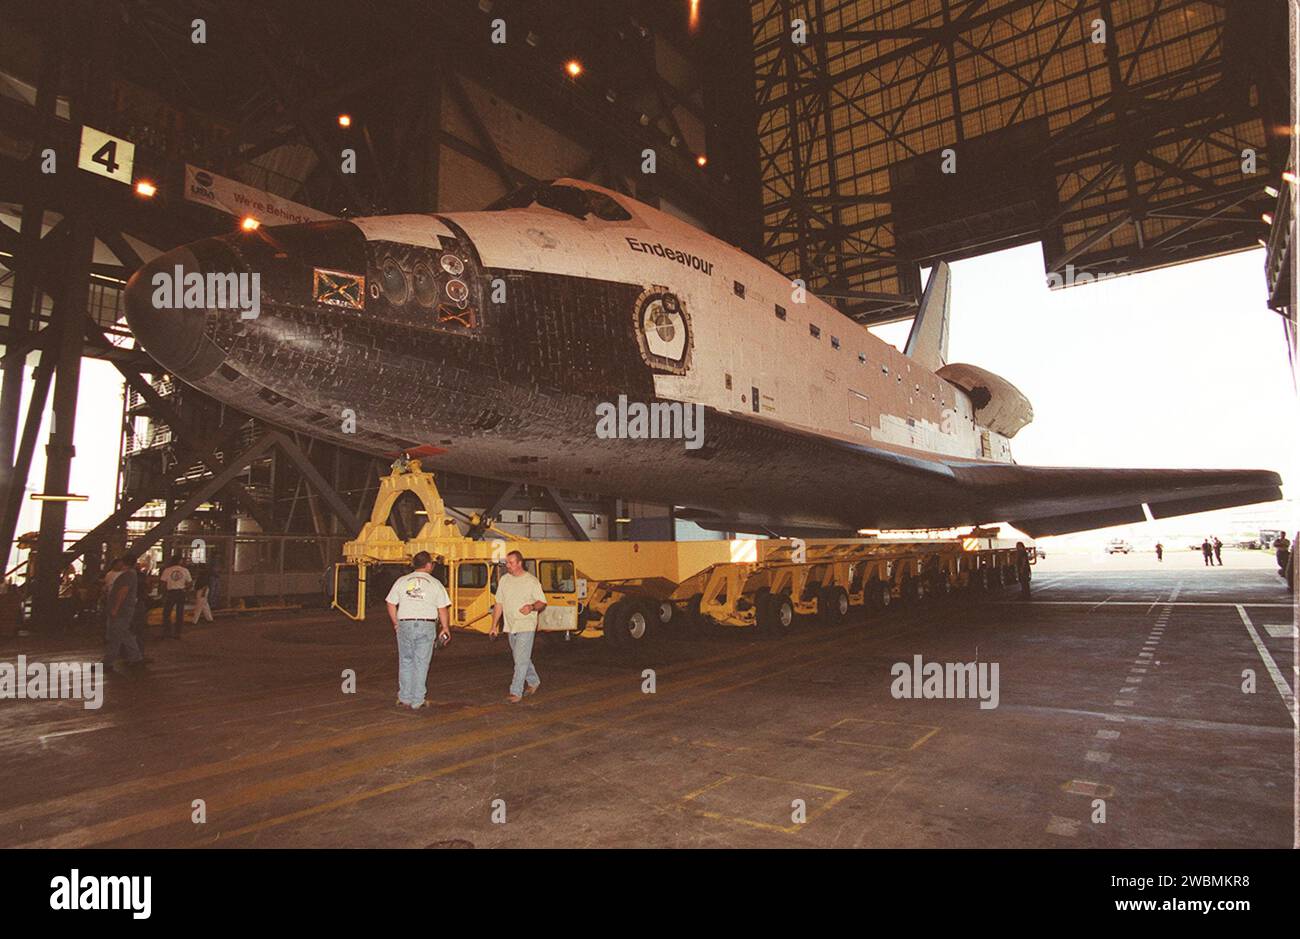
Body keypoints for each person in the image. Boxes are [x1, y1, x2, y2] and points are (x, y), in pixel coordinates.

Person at [384, 551, 451, 711]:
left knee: (406, 661)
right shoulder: (435, 583)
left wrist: (396, 623)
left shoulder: (401, 581)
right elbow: (442, 609)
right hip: (425, 625)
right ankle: (417, 700)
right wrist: (445, 628)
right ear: (428, 565)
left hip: (405, 624)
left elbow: (390, 603)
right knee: (421, 663)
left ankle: (404, 698)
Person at [490, 550, 548, 703]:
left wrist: (531, 607)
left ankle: (515, 692)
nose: (507, 565)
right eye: (507, 563)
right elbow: (499, 604)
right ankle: (534, 681)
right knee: (520, 657)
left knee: (520, 659)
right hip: (511, 626)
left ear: (519, 563)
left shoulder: (531, 581)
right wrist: (494, 625)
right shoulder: (504, 580)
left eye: (511, 562)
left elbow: (542, 602)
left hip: (526, 625)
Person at [105, 554, 144, 674]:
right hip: (125, 609)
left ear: (123, 562)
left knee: (115, 634)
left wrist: (115, 608)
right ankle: (136, 657)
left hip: (122, 610)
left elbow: (123, 592)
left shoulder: (127, 576)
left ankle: (108, 662)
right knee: (124, 633)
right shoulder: (131, 574)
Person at [159, 554, 192, 638]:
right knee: (180, 613)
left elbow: (163, 583)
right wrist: (185, 589)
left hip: (171, 592)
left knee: (167, 613)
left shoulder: (167, 570)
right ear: (180, 561)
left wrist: (163, 593)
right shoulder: (185, 570)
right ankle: (178, 632)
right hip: (181, 592)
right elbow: (189, 583)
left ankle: (167, 631)